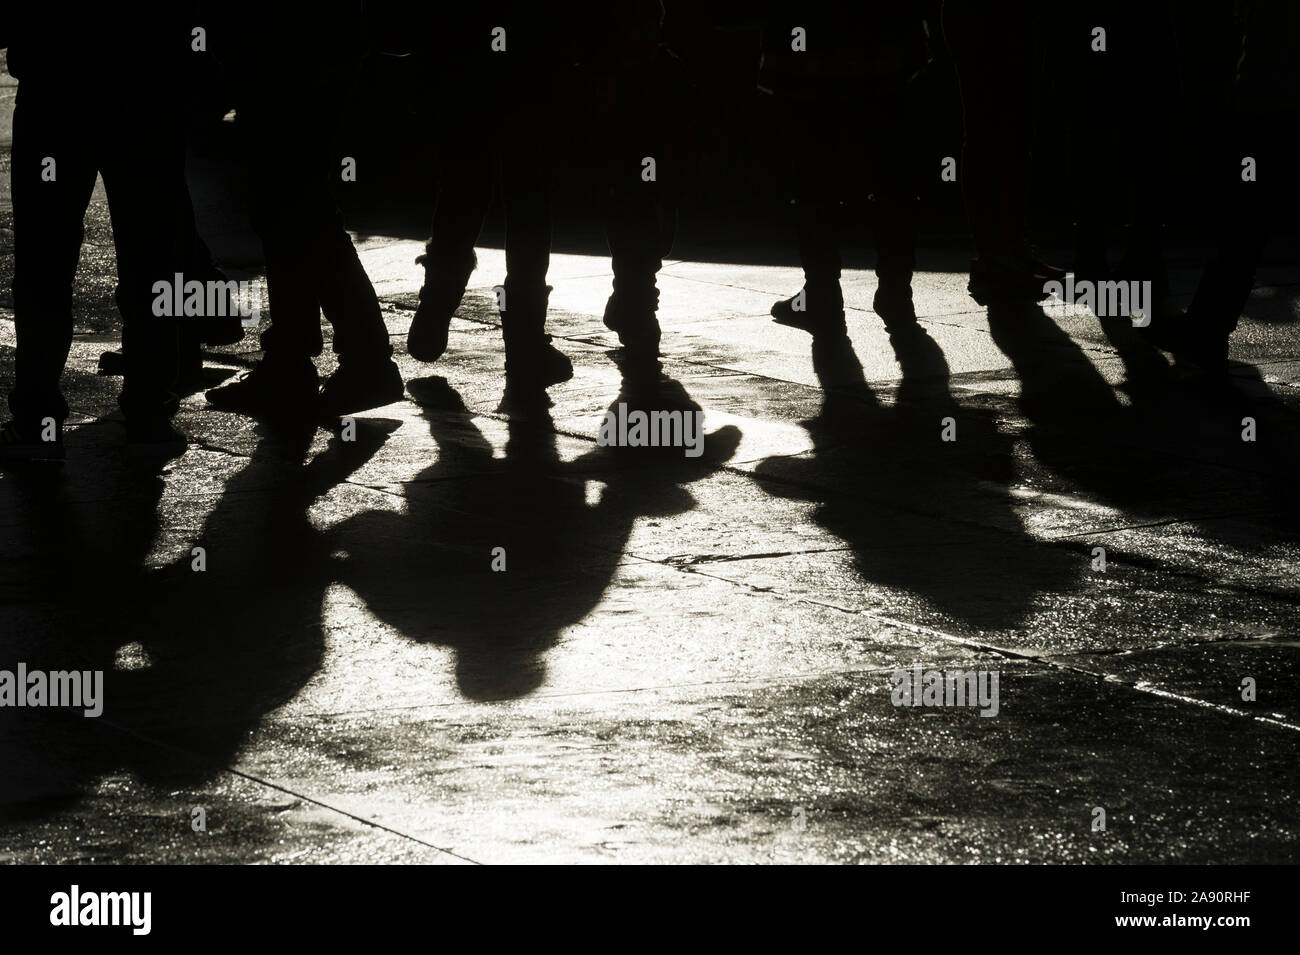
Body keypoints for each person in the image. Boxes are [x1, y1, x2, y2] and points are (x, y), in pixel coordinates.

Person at [1, 7, 193, 460]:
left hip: (56, 89)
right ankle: (150, 413)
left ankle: (38, 419)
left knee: (44, 263)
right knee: (151, 257)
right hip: (145, 89)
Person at [203, 3, 403, 420]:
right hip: (306, 47)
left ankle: (349, 361)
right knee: (291, 208)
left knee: (295, 206)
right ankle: (304, 359)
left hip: (292, 51)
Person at [404, 4, 572, 396]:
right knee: (528, 200)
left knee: (464, 183)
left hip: (464, 52)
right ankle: (524, 341)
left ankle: (440, 295)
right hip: (531, 58)